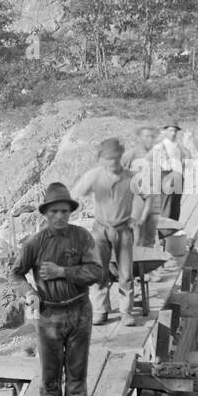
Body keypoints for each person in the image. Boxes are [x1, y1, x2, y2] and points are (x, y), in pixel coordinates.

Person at [11, 182, 103, 396]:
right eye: (54, 211)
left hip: (79, 312)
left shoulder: (82, 237)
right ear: (45, 213)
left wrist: (63, 272)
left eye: (64, 211)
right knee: (50, 380)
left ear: (70, 212)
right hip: (49, 316)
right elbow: (16, 274)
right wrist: (29, 292)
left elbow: (96, 272)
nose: (60, 216)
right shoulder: (34, 243)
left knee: (76, 377)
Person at [71, 137, 139, 327]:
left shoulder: (130, 177)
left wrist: (136, 217)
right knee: (99, 272)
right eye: (109, 158)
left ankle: (126, 311)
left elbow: (146, 199)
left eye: (116, 158)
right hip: (100, 229)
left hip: (123, 229)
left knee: (126, 272)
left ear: (120, 157)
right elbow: (76, 194)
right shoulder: (94, 176)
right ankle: (101, 310)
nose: (113, 162)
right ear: (102, 159)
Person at [124, 126, 162, 247]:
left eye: (152, 137)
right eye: (146, 136)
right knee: (135, 236)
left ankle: (147, 264)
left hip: (154, 201)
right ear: (140, 138)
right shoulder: (131, 154)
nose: (149, 139)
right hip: (137, 200)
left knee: (150, 238)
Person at [157, 123, 193, 222]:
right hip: (167, 177)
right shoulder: (161, 146)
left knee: (175, 205)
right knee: (166, 205)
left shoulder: (178, 145)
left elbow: (188, 159)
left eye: (175, 131)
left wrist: (186, 143)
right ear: (165, 131)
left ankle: (173, 229)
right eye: (170, 130)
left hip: (178, 177)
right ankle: (163, 232)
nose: (173, 133)